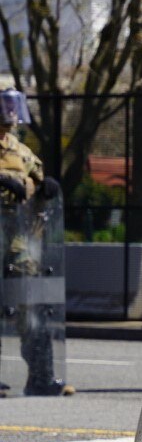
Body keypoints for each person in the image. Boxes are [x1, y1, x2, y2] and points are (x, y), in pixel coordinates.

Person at [0, 88, 67, 396]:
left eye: (13, 106)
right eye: (4, 106)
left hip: (18, 238)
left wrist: (46, 187)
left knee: (32, 305)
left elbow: (38, 176)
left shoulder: (18, 149)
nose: (10, 113)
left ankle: (41, 376)